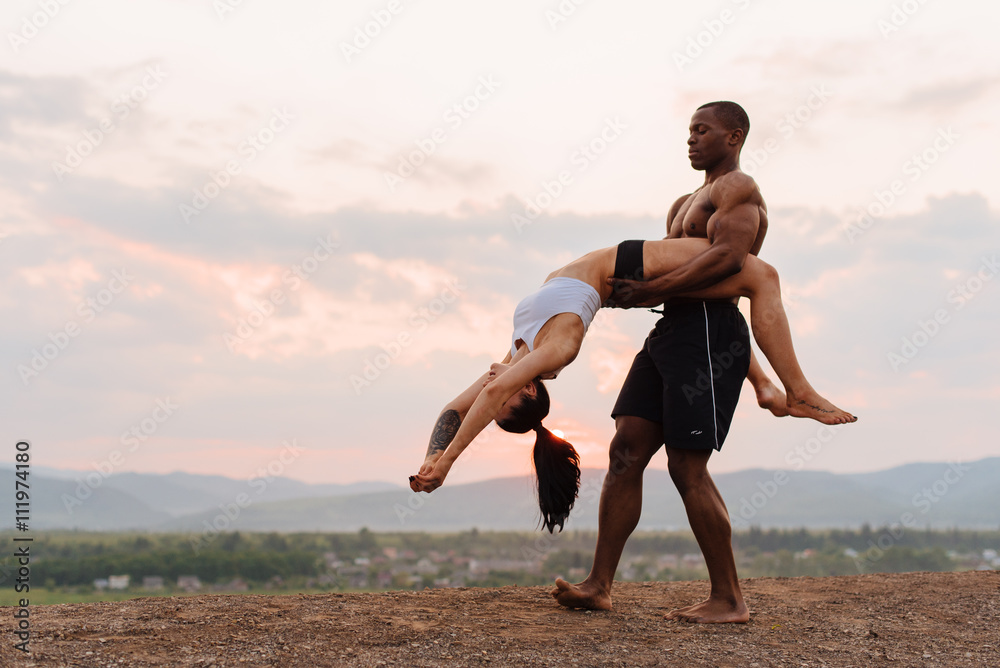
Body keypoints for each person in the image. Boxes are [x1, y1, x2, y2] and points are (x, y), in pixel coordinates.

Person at [550, 101, 847, 624]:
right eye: (688, 130)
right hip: (671, 333)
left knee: (687, 465)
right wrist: (647, 295)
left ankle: (729, 599)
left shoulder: (738, 190)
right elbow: (678, 263)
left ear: (734, 137)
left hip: (709, 332)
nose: (690, 139)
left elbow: (729, 260)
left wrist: (646, 290)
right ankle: (598, 585)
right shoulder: (683, 202)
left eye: (702, 130)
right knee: (624, 452)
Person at [409, 234, 856, 530]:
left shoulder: (515, 355)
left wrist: (436, 459)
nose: (490, 379)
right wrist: (447, 464)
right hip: (626, 271)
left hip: (628, 274)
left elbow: (454, 409)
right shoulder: (556, 350)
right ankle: (789, 391)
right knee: (762, 276)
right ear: (525, 389)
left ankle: (770, 387)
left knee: (729, 286)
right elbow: (489, 396)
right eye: (502, 396)